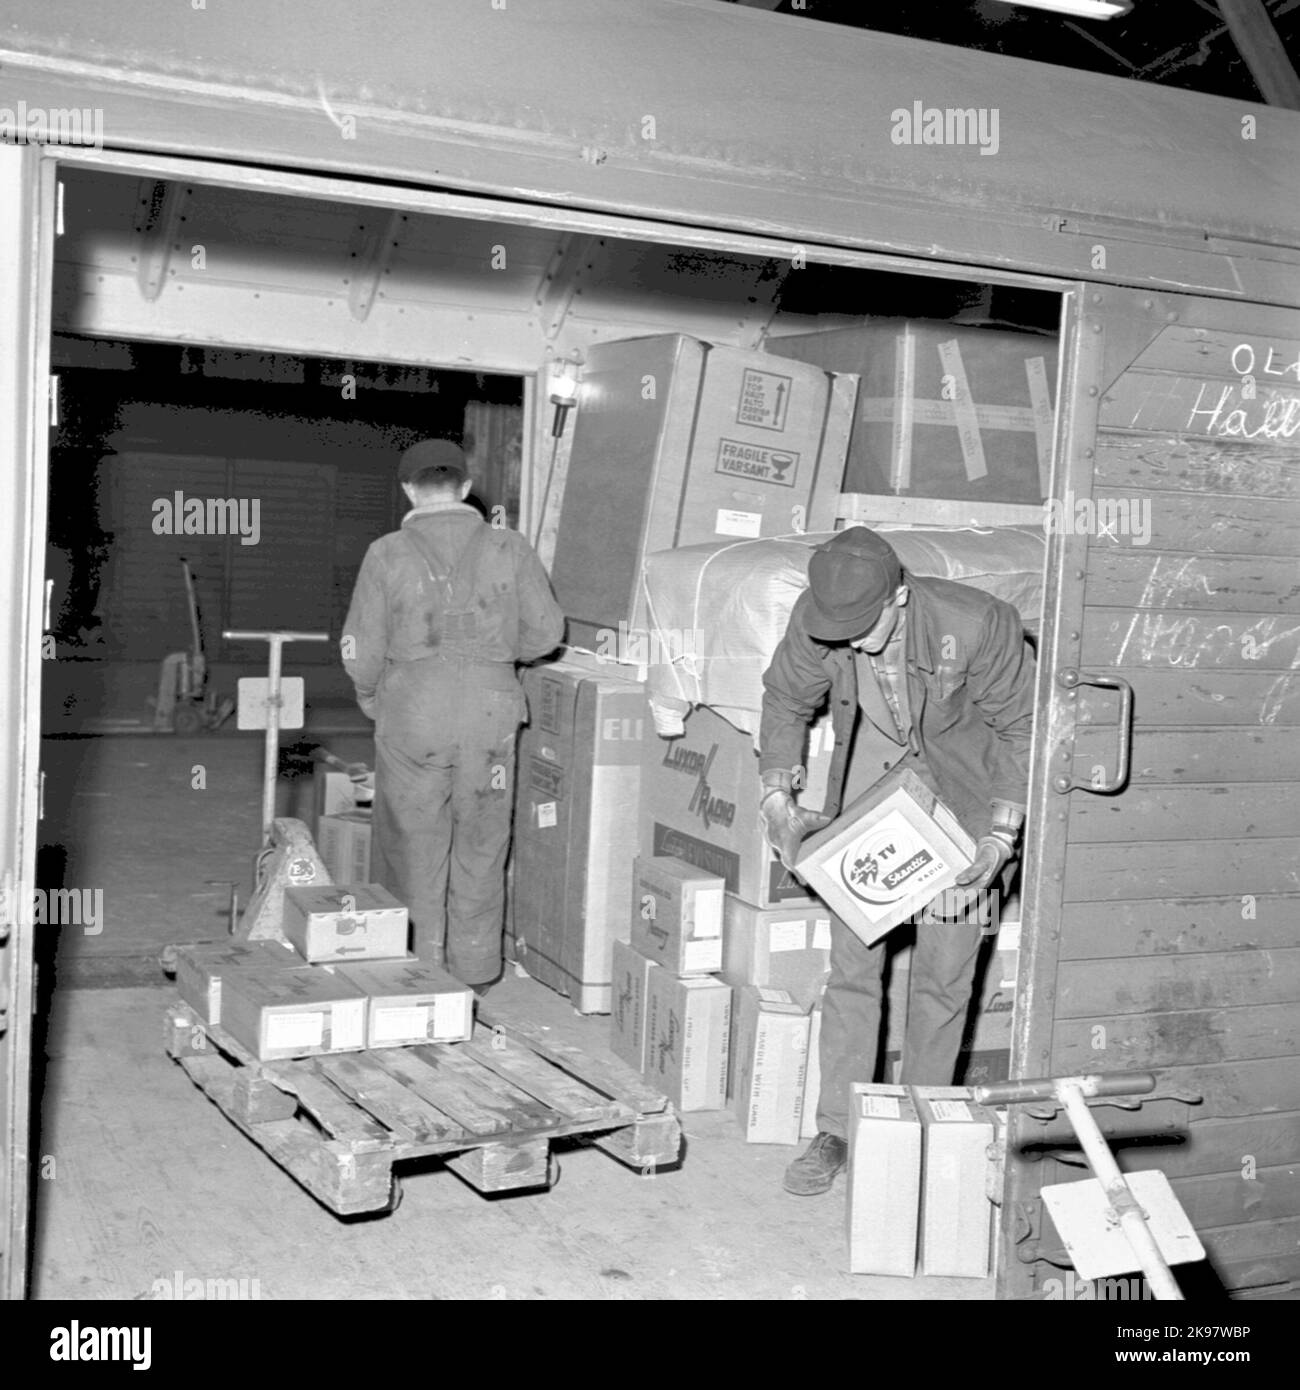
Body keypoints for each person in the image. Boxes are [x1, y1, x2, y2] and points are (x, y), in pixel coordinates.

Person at [758, 526, 1034, 1195]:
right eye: (837, 629)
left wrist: (1001, 835)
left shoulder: (979, 624)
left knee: (944, 976)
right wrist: (776, 790)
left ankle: (921, 1128)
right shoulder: (819, 616)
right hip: (873, 804)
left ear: (900, 599)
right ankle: (839, 1128)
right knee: (852, 969)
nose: (849, 642)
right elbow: (785, 696)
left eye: (863, 626)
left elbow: (1025, 728)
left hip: (966, 809)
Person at [342, 439, 564, 990]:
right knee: (483, 840)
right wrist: (496, 658)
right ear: (466, 488)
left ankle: (415, 971)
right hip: (491, 715)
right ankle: (475, 969)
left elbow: (359, 650)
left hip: (414, 712)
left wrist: (376, 700)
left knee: (411, 843)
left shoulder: (386, 552)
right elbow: (546, 633)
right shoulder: (510, 547)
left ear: (408, 491)